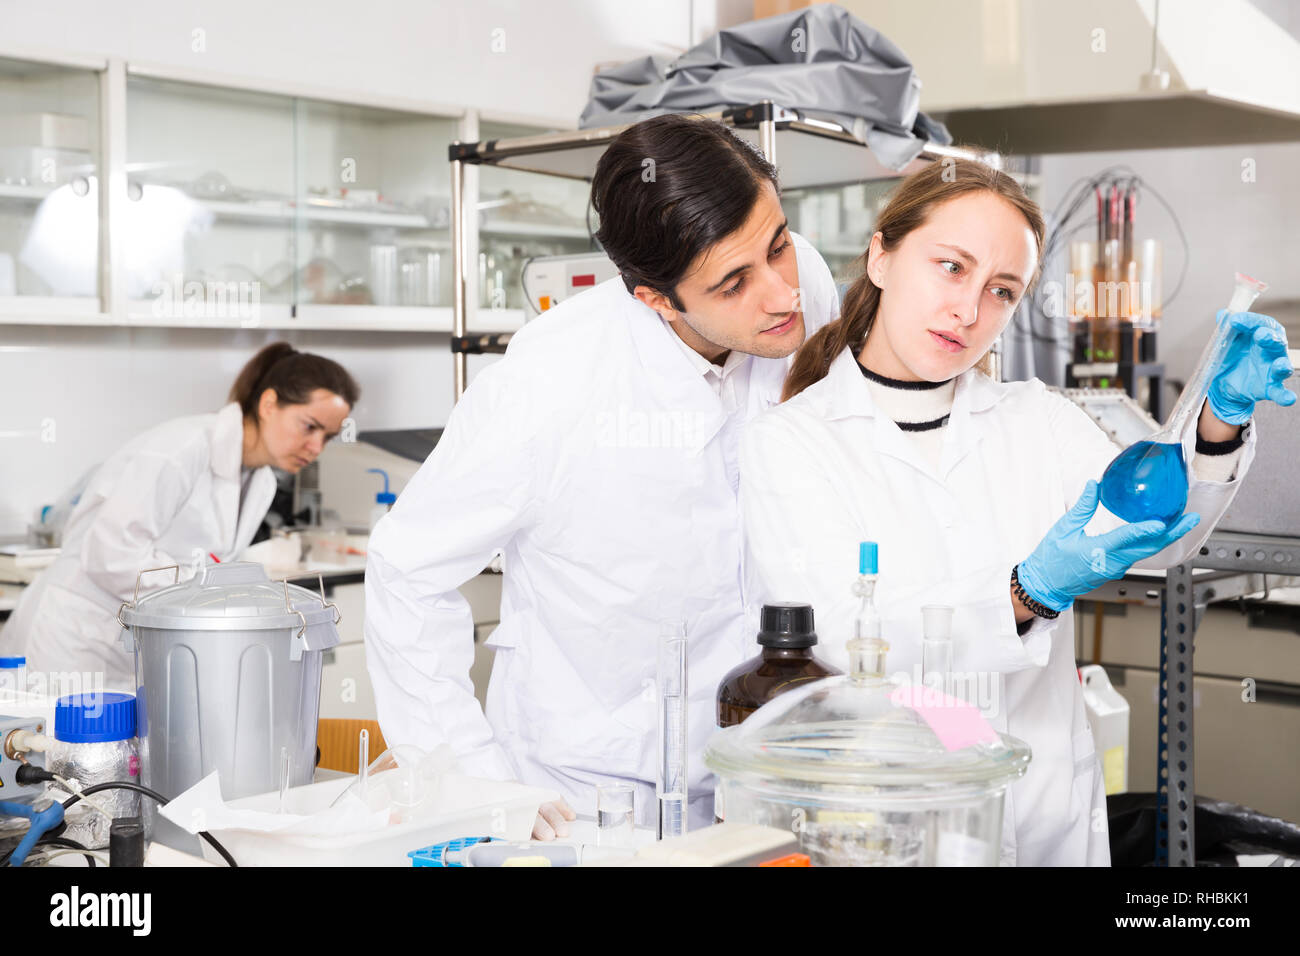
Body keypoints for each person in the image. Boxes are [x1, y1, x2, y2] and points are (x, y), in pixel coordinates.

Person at [739, 156, 1294, 866]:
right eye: (950, 267)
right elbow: (839, 642)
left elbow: (1160, 539)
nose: (969, 311)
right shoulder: (792, 441)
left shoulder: (1035, 419)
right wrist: (1023, 594)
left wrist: (1218, 419)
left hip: (1044, 820)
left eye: (1002, 290)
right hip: (891, 825)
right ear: (881, 256)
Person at [364, 114, 841, 838]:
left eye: (778, 245)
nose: (783, 295)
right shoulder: (548, 384)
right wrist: (476, 785)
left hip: (760, 764)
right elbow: (406, 571)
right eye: (735, 282)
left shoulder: (800, 281)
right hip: (586, 791)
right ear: (655, 297)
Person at [1, 343, 359, 691]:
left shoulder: (261, 479)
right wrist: (208, 588)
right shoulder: (181, 449)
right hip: (73, 640)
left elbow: (211, 561)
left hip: (134, 643)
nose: (316, 448)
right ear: (269, 403)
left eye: (327, 436)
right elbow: (111, 557)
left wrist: (219, 588)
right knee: (51, 747)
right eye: (309, 426)